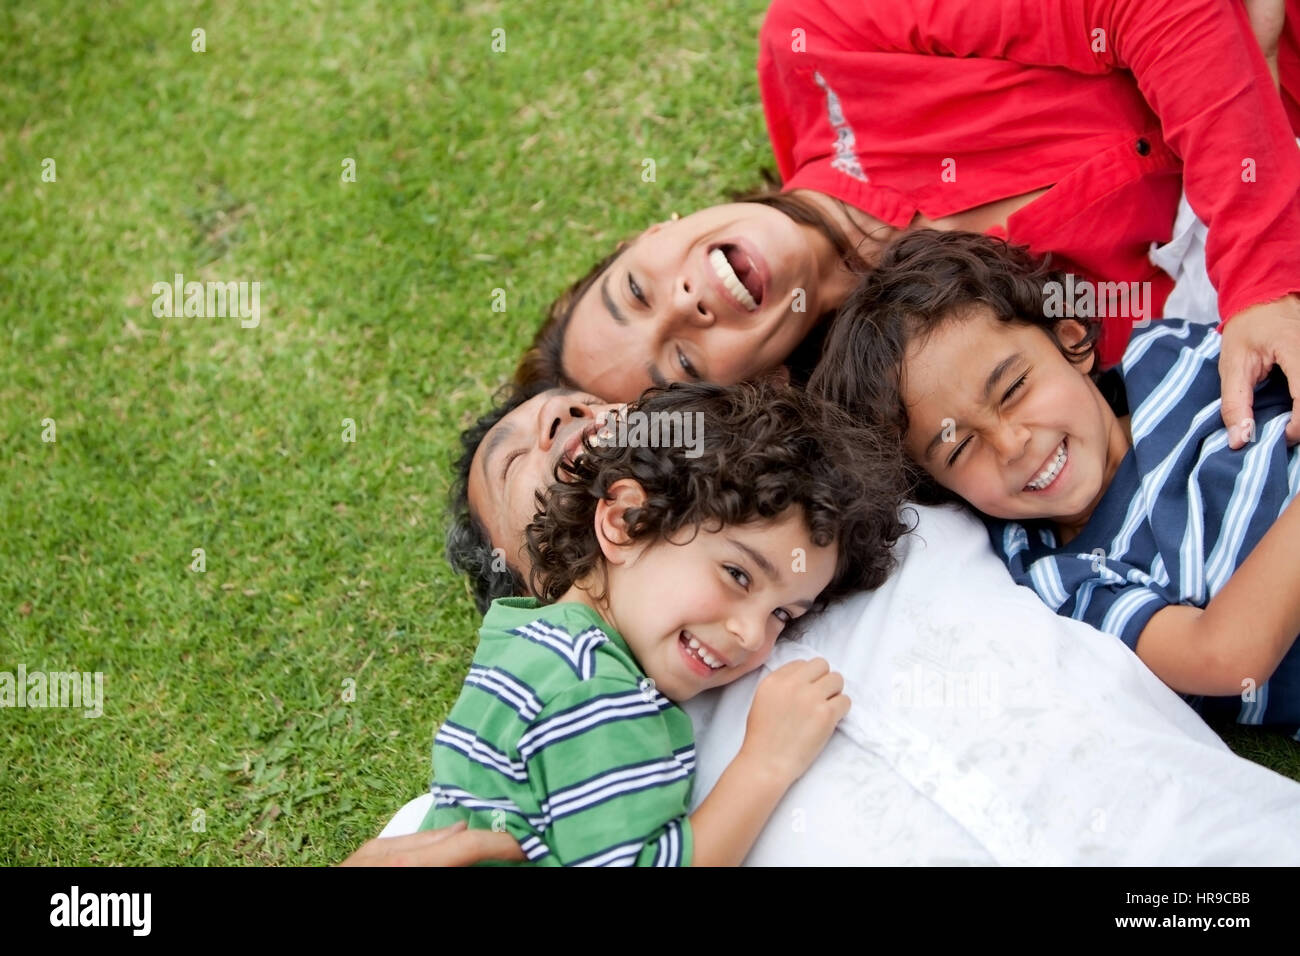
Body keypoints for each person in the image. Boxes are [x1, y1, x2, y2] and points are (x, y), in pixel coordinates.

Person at [517, 0, 1300, 454]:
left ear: (652, 232)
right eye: (683, 362)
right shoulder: (932, 391)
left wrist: (1263, 277)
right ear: (753, 391)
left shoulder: (818, 39)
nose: (683, 304)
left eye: (635, 290)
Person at [811, 229, 1300, 734]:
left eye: (1014, 387)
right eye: (959, 448)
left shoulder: (1169, 361)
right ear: (943, 491)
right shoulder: (1065, 583)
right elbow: (1226, 657)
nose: (1011, 443)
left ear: (1070, 341)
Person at [419, 383, 908, 865]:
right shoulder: (589, 686)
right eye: (738, 575)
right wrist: (766, 764)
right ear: (627, 521)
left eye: (784, 614)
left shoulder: (536, 651)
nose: (752, 635)